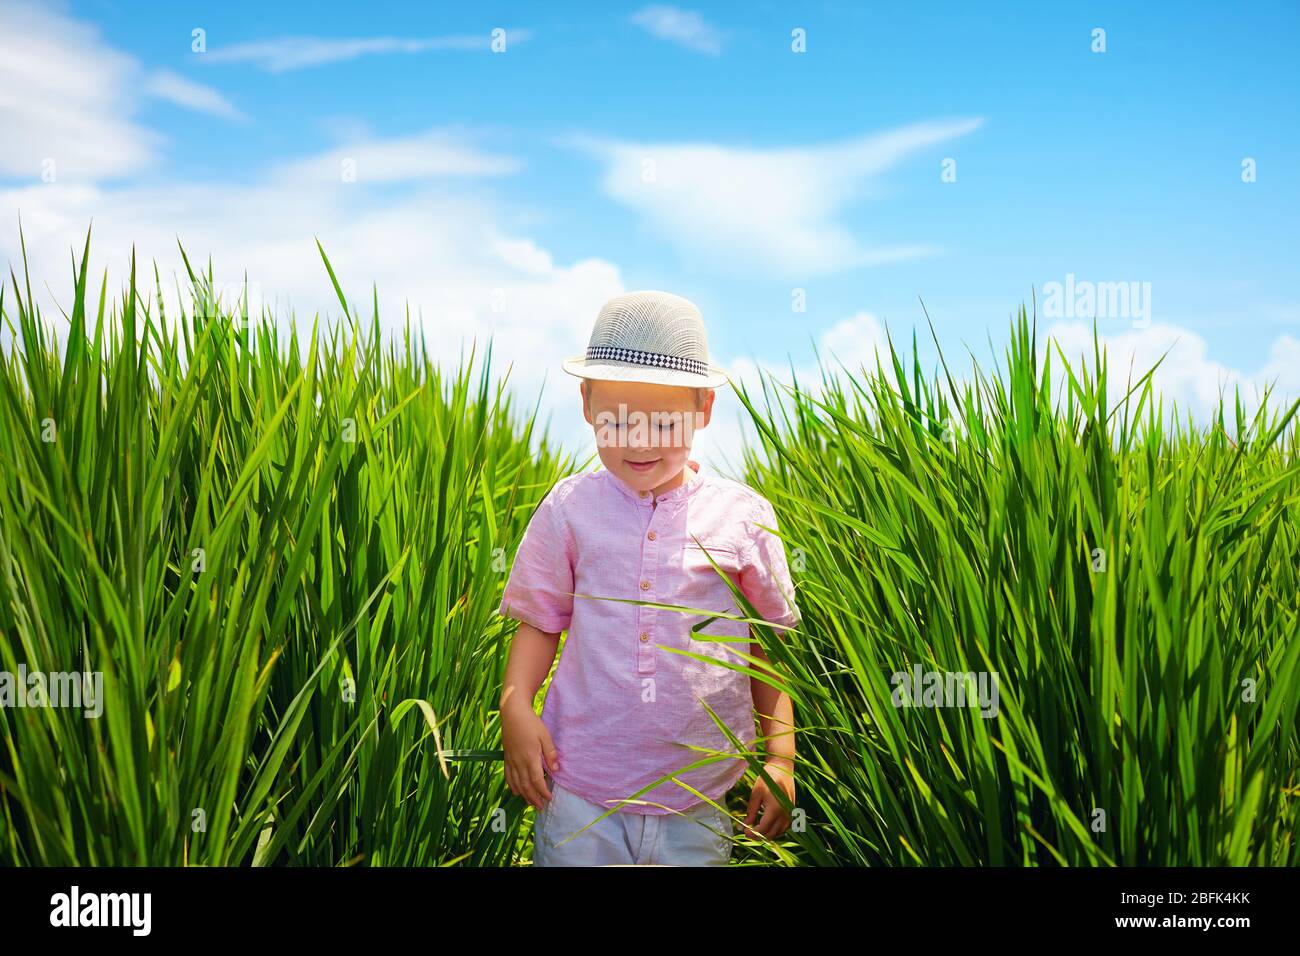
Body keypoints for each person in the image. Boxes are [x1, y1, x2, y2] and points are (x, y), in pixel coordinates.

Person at [497, 290, 802, 866]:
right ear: (587, 403)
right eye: (617, 420)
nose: (638, 442)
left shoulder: (742, 517)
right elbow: (540, 622)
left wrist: (779, 756)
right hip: (578, 788)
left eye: (664, 423)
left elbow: (766, 645)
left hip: (698, 795)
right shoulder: (569, 509)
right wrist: (516, 707)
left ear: (704, 409)